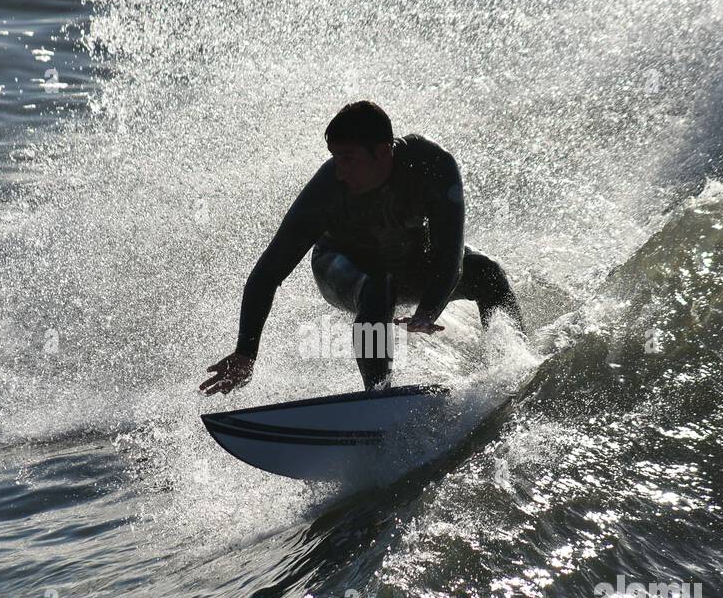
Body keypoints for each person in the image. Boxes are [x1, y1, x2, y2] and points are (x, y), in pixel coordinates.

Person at [199, 100, 524, 395]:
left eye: (349, 159)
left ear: (383, 152)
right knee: (377, 288)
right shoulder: (327, 191)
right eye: (335, 159)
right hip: (342, 267)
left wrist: (429, 309)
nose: (339, 172)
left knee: (487, 273)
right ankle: (378, 397)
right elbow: (267, 273)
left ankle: (514, 366)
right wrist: (246, 352)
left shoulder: (432, 166)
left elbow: (450, 255)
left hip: (410, 263)